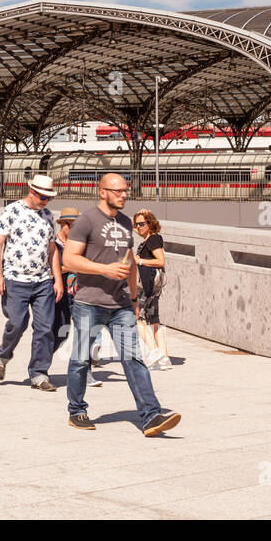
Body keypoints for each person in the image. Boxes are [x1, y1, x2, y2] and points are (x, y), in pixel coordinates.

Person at [61, 173, 181, 437]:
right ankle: (77, 410)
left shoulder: (127, 223)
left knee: (134, 359)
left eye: (125, 191)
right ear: (102, 192)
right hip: (88, 302)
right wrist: (104, 269)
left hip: (121, 305)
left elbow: (129, 263)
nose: (124, 195)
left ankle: (150, 416)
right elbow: (69, 260)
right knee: (81, 359)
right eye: (118, 191)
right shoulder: (85, 221)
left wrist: (134, 298)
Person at [0, 174, 63, 391]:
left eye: (49, 198)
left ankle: (39, 374)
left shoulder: (48, 216)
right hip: (15, 279)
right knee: (17, 322)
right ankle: (3, 355)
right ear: (31, 191)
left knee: (45, 328)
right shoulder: (12, 211)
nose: (45, 201)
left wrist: (57, 280)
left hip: (42, 281)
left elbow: (52, 250)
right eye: (43, 196)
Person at [49, 207, 106, 387]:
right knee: (59, 335)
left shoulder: (81, 245)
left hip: (81, 295)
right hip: (59, 295)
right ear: (63, 225)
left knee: (85, 335)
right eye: (71, 225)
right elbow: (51, 268)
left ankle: (85, 374)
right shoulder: (53, 245)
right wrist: (72, 265)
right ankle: (40, 365)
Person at [134, 208, 171, 370]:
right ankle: (164, 358)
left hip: (147, 285)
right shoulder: (149, 239)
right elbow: (131, 226)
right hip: (150, 285)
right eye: (137, 224)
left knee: (137, 318)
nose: (138, 227)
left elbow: (160, 261)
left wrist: (140, 261)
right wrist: (139, 216)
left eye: (142, 224)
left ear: (150, 223)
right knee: (153, 321)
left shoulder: (153, 239)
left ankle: (154, 351)